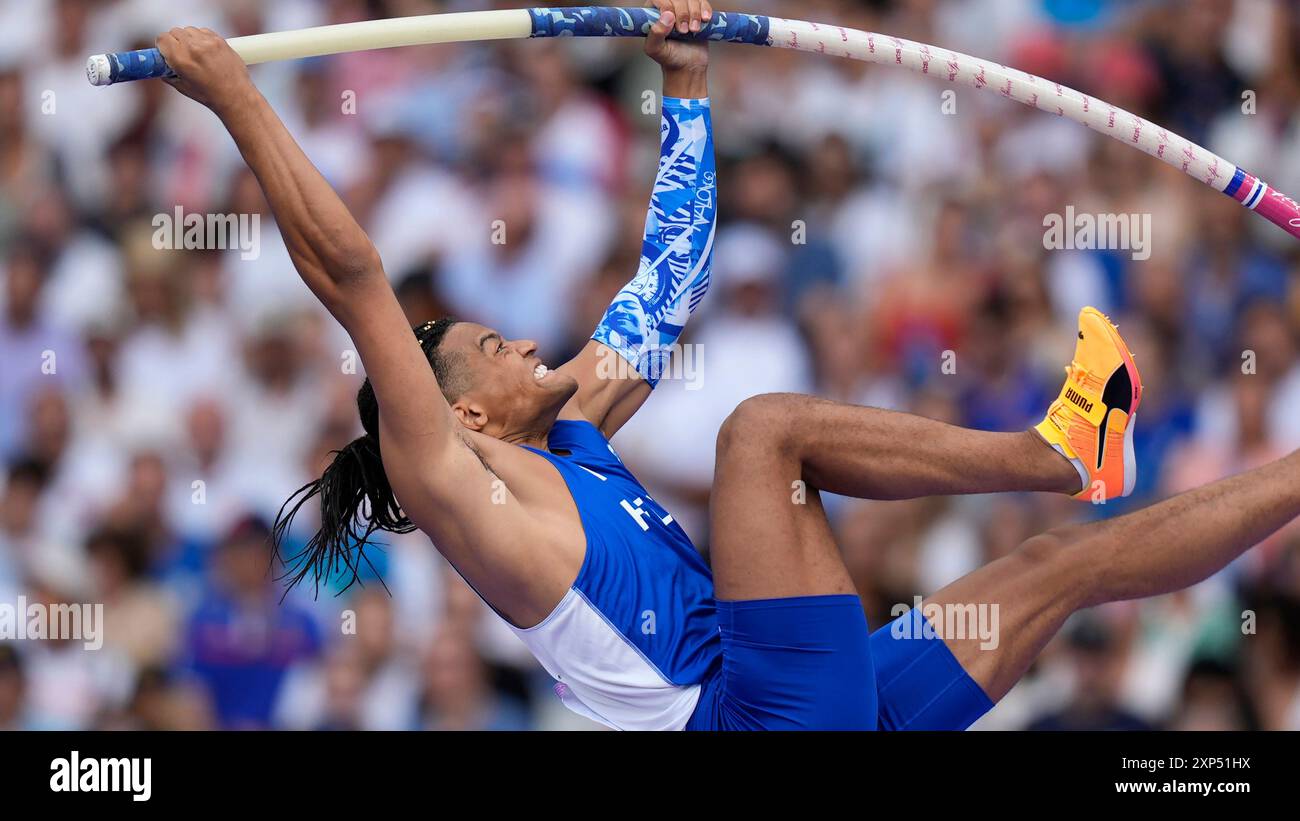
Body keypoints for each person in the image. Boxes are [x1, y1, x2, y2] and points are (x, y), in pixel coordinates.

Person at [154, 4, 1300, 731]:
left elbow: (673, 270)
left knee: (1067, 566)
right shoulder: (464, 483)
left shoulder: (570, 429)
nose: (516, 338)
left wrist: (687, 91)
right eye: (490, 349)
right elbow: (352, 274)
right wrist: (238, 98)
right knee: (757, 432)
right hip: (752, 712)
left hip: (806, 692)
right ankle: (1052, 452)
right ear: (463, 413)